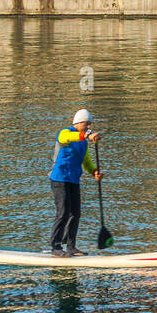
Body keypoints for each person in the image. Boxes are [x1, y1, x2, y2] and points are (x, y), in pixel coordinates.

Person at [48, 108, 103, 257]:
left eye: (90, 125)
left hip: (73, 180)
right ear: (78, 123)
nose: (89, 127)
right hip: (59, 179)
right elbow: (70, 137)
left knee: (75, 213)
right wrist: (86, 135)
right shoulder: (65, 133)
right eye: (87, 124)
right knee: (63, 213)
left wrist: (94, 172)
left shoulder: (83, 143)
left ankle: (71, 246)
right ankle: (55, 247)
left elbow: (86, 162)